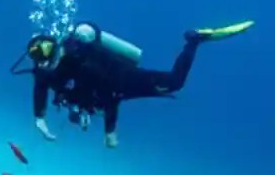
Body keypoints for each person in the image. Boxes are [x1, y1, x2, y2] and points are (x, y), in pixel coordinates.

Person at [18, 20, 253, 148]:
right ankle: (194, 41)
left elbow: (109, 95)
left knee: (174, 83)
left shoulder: (82, 63)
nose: (44, 58)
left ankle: (193, 41)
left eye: (46, 49)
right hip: (103, 93)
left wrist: (110, 133)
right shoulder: (45, 73)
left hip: (122, 79)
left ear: (55, 44)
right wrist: (39, 118)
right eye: (38, 55)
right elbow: (40, 88)